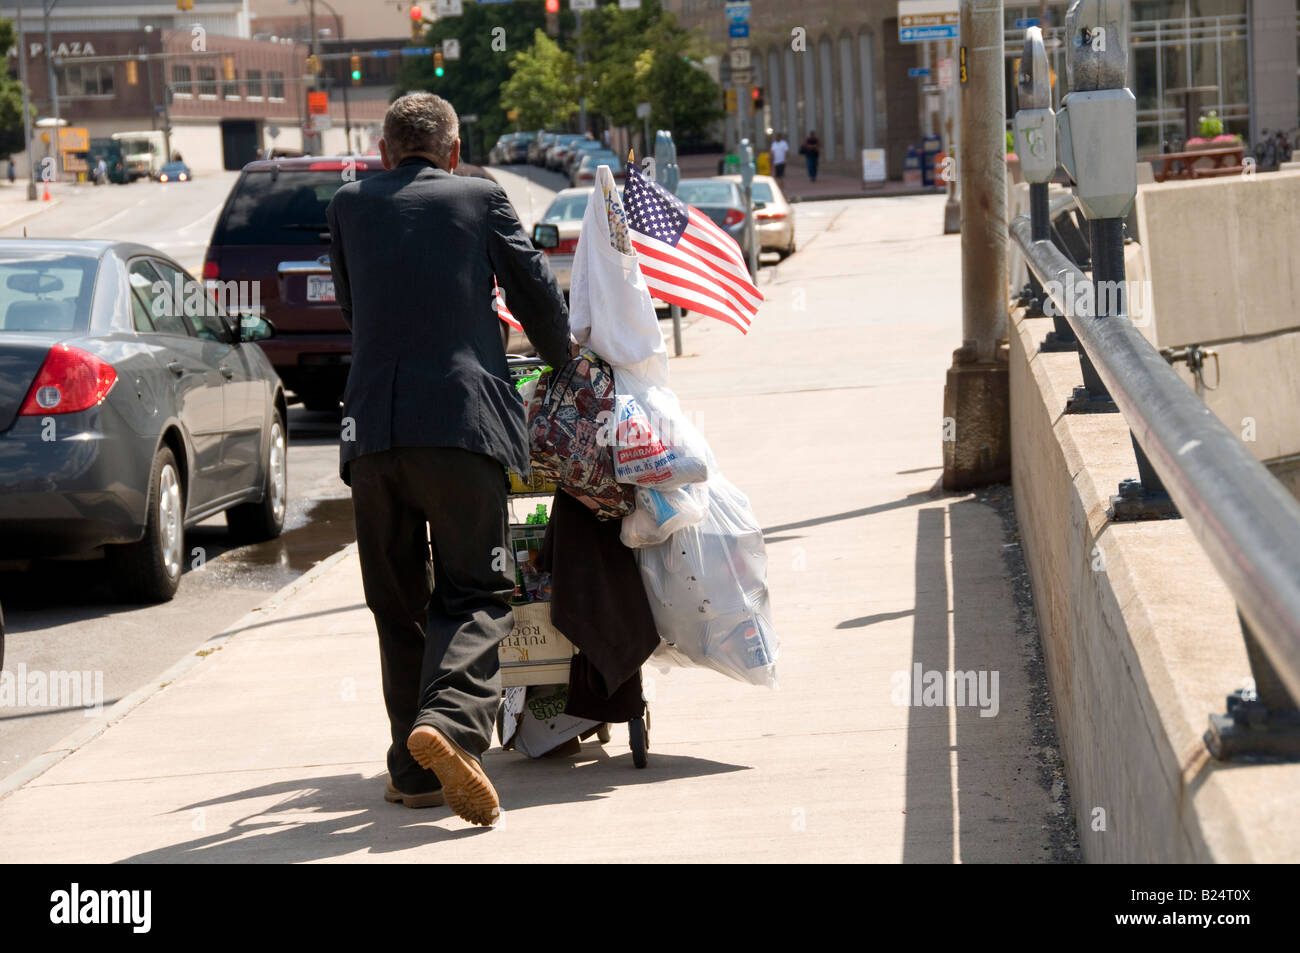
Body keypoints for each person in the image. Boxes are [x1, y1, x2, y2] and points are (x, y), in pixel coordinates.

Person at [326, 92, 576, 827]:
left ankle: (413, 772)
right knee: (477, 591)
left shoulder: (348, 206)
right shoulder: (480, 196)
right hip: (462, 427)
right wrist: (563, 362)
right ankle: (454, 724)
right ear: (454, 150)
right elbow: (534, 291)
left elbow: (352, 308)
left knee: (397, 605)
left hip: (372, 432)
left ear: (382, 150)